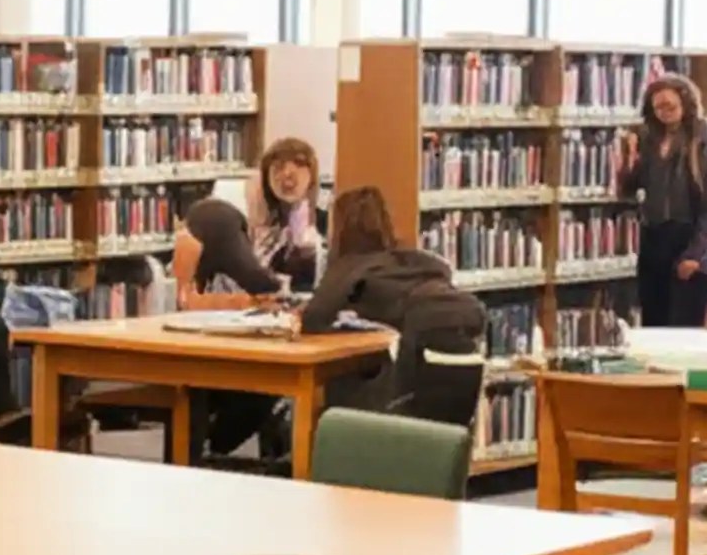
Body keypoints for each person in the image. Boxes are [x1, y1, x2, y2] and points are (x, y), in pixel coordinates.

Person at [170, 138, 323, 459]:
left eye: (298, 168)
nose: (288, 177)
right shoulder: (224, 214)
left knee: (274, 382)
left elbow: (301, 281)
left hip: (247, 328)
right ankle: (208, 451)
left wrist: (302, 240)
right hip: (210, 332)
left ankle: (216, 450)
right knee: (269, 385)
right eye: (279, 168)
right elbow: (258, 280)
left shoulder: (302, 218)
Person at [302, 186, 487, 426]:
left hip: (405, 388)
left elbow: (313, 319)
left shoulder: (351, 265)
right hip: (455, 381)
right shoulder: (418, 261)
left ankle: (312, 459)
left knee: (334, 389)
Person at [620, 73, 707, 327]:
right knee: (653, 321)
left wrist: (696, 253)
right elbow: (627, 190)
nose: (664, 113)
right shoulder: (649, 138)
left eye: (670, 106)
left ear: (686, 103)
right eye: (657, 108)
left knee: (683, 325)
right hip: (654, 239)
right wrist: (628, 158)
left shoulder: (705, 137)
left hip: (689, 238)